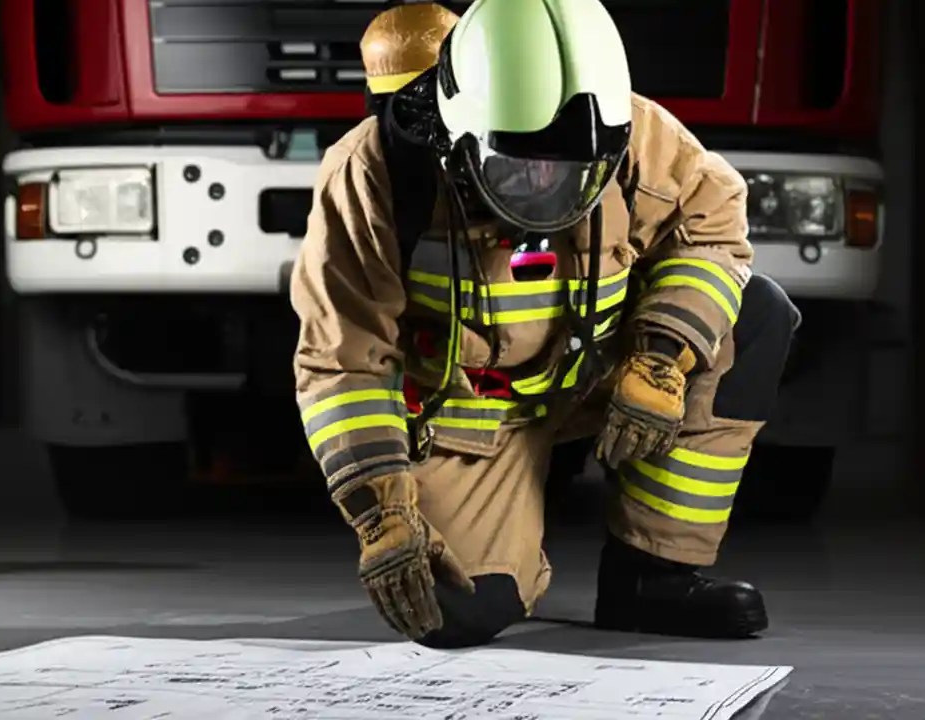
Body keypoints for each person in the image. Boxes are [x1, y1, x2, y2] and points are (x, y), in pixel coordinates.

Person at [290, 0, 800, 648]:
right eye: (518, 165)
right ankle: (522, 494)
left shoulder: (636, 130)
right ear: (457, 127)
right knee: (452, 612)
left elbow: (712, 236)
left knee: (754, 315)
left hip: (605, 372)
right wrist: (380, 511)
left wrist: (663, 355)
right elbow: (345, 362)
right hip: (473, 416)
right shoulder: (374, 173)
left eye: (572, 172)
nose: (545, 190)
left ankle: (655, 576)